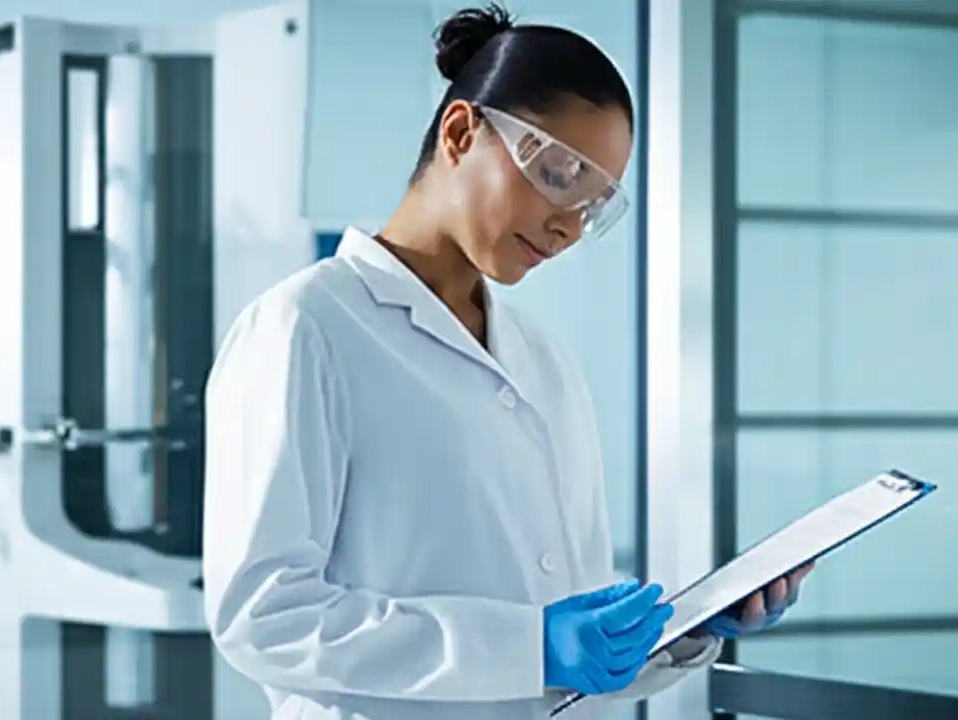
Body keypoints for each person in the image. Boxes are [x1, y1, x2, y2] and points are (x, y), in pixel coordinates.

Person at [202, 5, 813, 718]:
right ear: (461, 132)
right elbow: (266, 618)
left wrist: (685, 625)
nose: (568, 225)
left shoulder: (543, 360)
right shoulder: (306, 327)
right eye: (558, 175)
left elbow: (564, 630)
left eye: (594, 205)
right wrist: (531, 645)